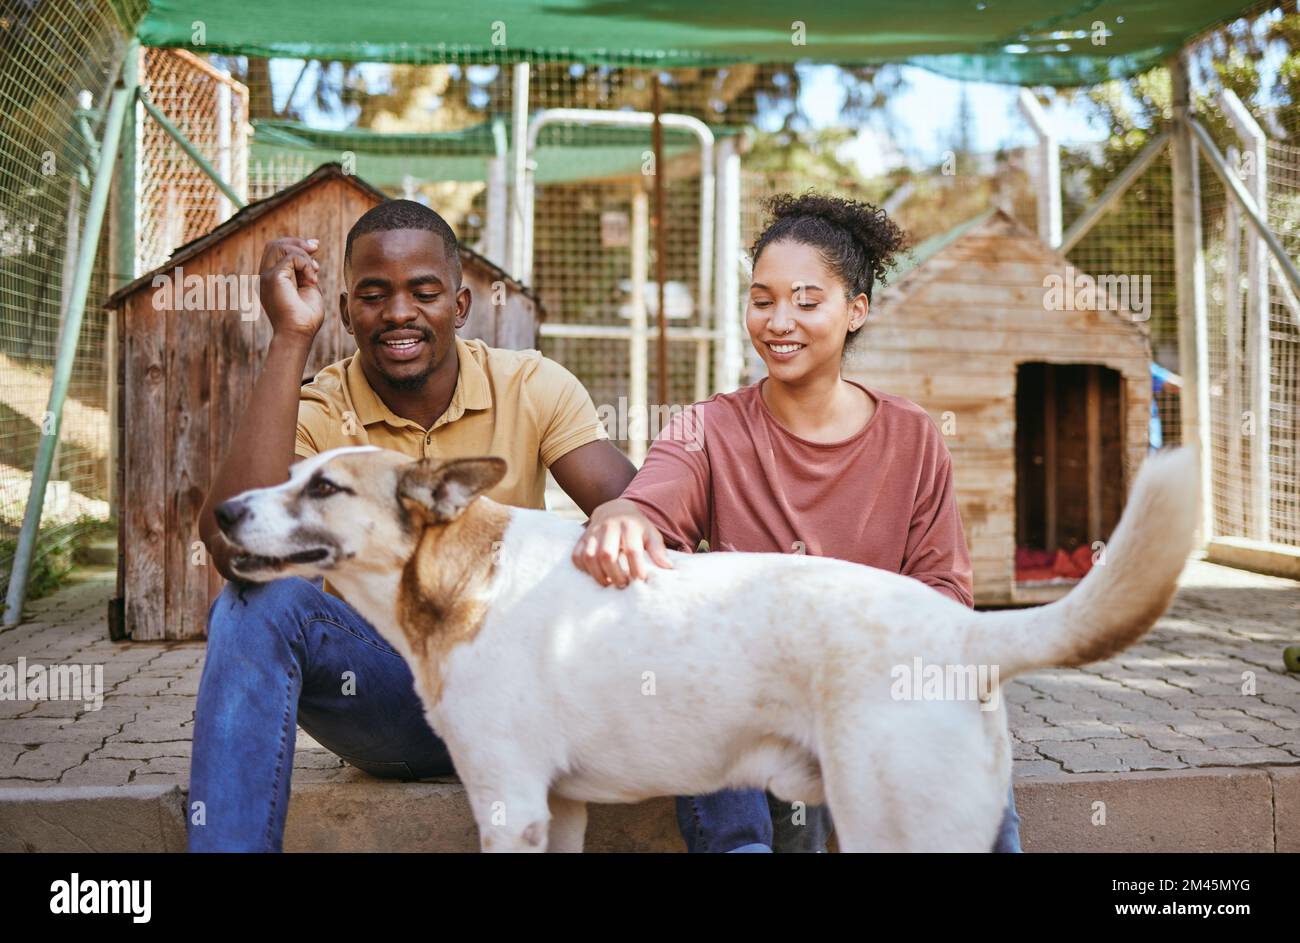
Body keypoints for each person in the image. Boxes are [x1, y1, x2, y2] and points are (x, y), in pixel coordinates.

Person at [572, 192, 1023, 853]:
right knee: (691, 667)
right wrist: (620, 513)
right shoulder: (710, 426)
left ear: (855, 311)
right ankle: (742, 845)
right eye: (762, 299)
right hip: (753, 691)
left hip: (874, 678)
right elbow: (648, 508)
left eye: (807, 301)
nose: (779, 320)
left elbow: (945, 595)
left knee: (965, 690)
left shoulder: (913, 436)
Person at [189, 200, 638, 852]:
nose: (399, 311)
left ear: (458, 306)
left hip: (524, 703)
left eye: (423, 292)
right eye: (373, 295)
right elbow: (231, 547)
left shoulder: (532, 385)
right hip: (390, 707)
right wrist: (291, 337)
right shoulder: (320, 410)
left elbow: (641, 519)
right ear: (345, 312)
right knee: (256, 602)